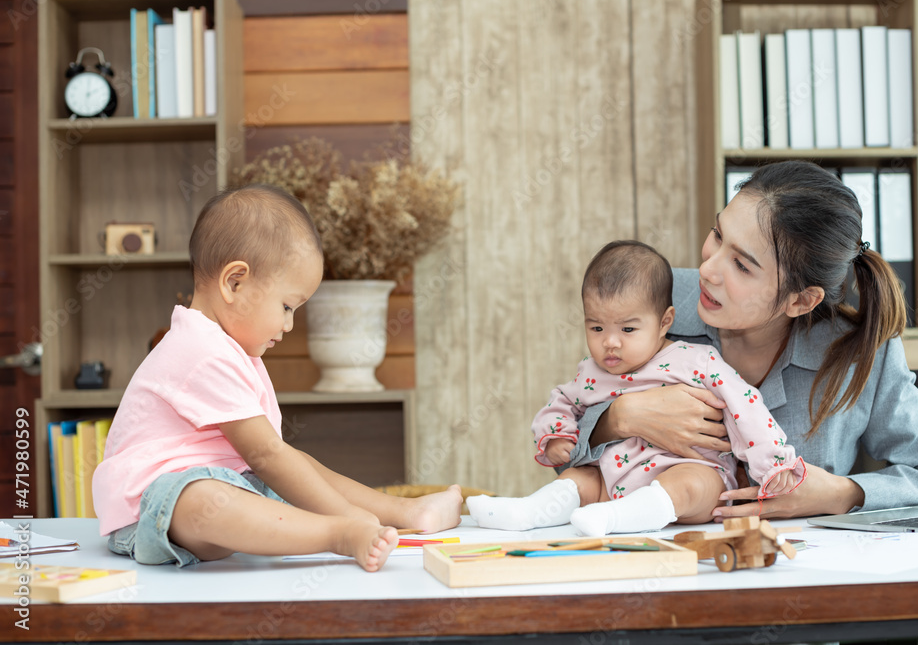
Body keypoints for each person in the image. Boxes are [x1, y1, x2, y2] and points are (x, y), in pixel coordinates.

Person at [92, 184, 462, 571]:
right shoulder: (198, 349)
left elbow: (271, 458)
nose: (288, 325)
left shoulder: (229, 346)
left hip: (227, 485)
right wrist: (347, 517)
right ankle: (337, 533)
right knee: (207, 495)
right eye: (287, 306)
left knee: (297, 464)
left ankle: (404, 512)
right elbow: (265, 456)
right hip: (149, 508)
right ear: (234, 283)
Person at [564, 161, 918, 521]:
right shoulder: (652, 306)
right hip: (659, 562)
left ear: (801, 300)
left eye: (741, 264)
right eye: (717, 235)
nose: (708, 268)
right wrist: (618, 419)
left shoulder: (863, 354)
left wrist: (842, 493)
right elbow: (564, 451)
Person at [466, 241, 805, 536]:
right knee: (578, 478)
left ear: (664, 322)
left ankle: (619, 517)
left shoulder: (696, 361)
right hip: (614, 478)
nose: (610, 343)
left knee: (691, 484)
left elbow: (746, 406)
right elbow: (563, 401)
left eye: (628, 329)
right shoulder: (592, 370)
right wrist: (556, 434)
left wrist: (773, 463)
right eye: (596, 327)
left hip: (690, 471)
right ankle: (527, 513)